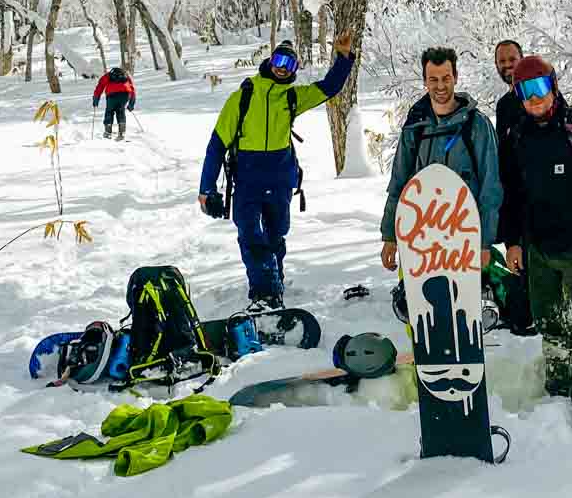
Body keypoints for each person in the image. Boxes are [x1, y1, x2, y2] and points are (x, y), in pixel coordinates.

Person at [499, 54, 572, 431]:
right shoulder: (517, 136)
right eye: (525, 91)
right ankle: (560, 385)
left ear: (553, 87)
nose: (534, 99)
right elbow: (512, 195)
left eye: (540, 89)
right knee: (549, 322)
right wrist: (513, 242)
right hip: (538, 248)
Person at [198, 34, 354, 310]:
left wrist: (343, 58)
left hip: (280, 179)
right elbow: (217, 144)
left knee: (276, 234)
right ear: (270, 60)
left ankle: (273, 285)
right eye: (279, 60)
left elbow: (329, 87)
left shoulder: (294, 96)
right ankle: (264, 292)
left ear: (294, 69)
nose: (283, 67)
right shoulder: (244, 95)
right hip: (246, 179)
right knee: (249, 233)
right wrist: (207, 188)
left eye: (289, 63)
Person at [380, 46, 503, 268]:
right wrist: (390, 235)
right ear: (425, 81)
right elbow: (399, 182)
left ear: (455, 77)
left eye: (446, 78)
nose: (440, 86)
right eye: (433, 79)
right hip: (422, 236)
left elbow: (491, 186)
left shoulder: (477, 125)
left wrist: (485, 243)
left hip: (466, 236)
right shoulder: (415, 127)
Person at [92, 64, 137, 140]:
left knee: (109, 111)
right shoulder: (126, 76)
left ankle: (108, 132)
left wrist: (96, 99)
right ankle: (122, 132)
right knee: (120, 111)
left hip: (112, 95)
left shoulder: (107, 76)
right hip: (125, 94)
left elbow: (99, 87)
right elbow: (132, 89)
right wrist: (131, 103)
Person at [492, 39, 523, 148]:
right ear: (496, 65)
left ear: (522, 60)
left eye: (512, 59)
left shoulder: (539, 92)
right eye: (502, 61)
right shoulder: (502, 105)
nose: (507, 64)